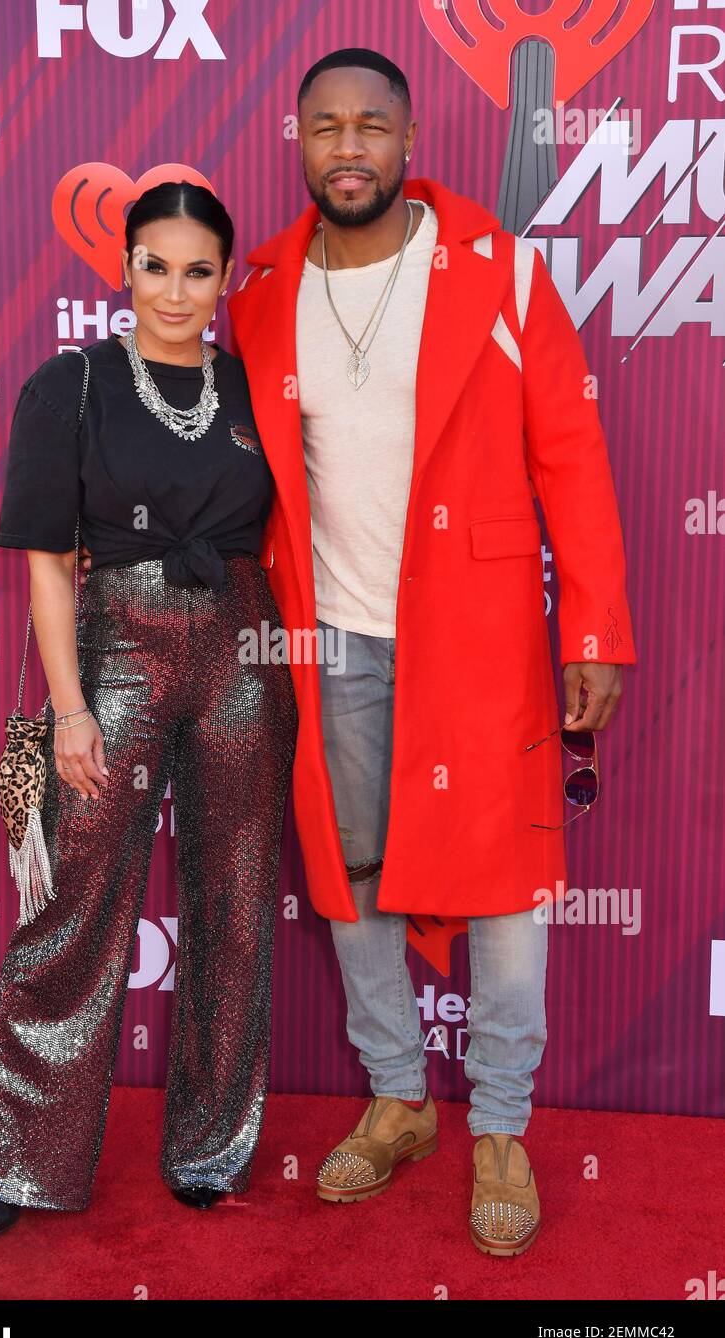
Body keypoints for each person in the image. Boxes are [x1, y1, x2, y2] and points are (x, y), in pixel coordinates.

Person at [225, 49, 637, 1256]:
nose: (346, 147)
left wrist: (595, 630)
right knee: (351, 869)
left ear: (409, 139)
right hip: (329, 633)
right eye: (324, 127)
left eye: (370, 126)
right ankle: (399, 1097)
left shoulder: (498, 271)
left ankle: (499, 1123)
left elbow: (571, 453)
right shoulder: (260, 289)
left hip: (484, 632)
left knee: (506, 878)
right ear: (296, 141)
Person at [0, 181, 297, 1238]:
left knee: (237, 905)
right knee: (73, 909)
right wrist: (69, 709)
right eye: (153, 264)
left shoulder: (255, 393)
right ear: (122, 266)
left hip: (244, 655)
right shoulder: (70, 385)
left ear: (223, 278)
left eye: (197, 269)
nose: (174, 289)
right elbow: (47, 570)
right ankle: (23, 1159)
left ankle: (210, 1144)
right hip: (115, 652)